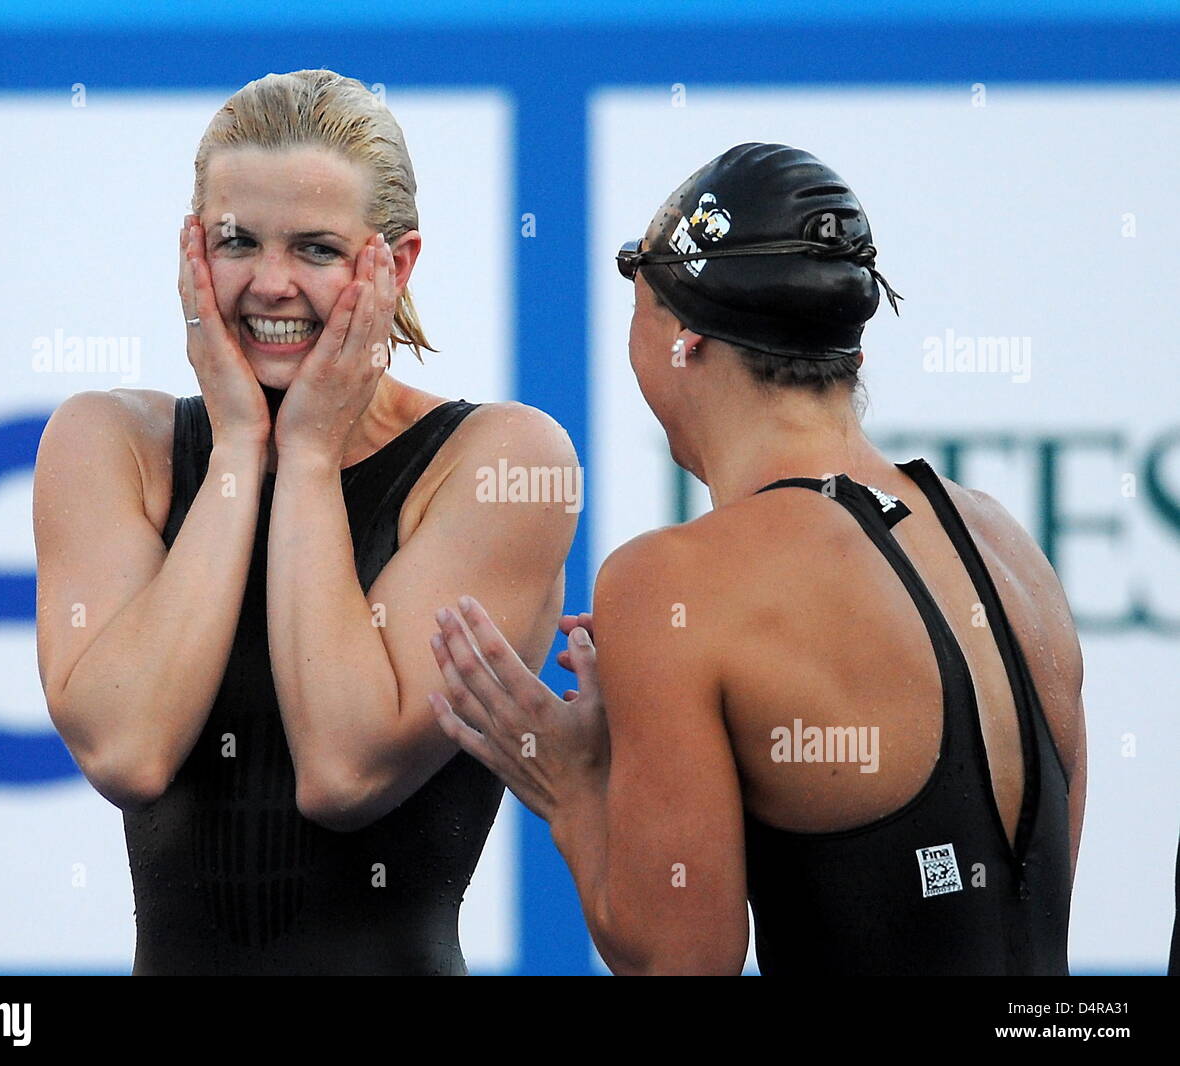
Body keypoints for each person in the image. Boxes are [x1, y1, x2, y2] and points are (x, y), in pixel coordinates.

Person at [427, 143, 1087, 976]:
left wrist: (572, 785)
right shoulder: (1009, 549)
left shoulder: (672, 584)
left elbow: (682, 961)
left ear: (683, 337)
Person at [33, 69, 577, 975]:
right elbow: (129, 748)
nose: (272, 284)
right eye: (238, 241)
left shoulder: (497, 461)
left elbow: (346, 769)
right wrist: (242, 450)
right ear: (192, 251)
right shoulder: (109, 444)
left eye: (318, 250)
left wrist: (313, 457)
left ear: (394, 266)